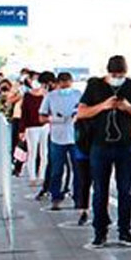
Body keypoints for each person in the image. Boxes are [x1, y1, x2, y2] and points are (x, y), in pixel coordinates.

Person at [78, 56, 131, 248]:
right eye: (114, 75)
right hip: (100, 146)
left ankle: (125, 231)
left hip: (125, 146)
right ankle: (100, 232)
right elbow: (81, 112)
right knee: (100, 190)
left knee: (125, 191)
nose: (118, 78)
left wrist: (128, 107)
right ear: (108, 72)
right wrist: (104, 105)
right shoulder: (95, 86)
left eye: (121, 75)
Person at [40, 72, 82, 211]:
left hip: (75, 138)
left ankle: (78, 198)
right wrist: (54, 119)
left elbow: (85, 111)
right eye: (63, 84)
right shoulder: (51, 96)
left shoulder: (78, 95)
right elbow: (41, 117)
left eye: (67, 84)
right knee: (56, 170)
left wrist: (77, 116)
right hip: (57, 138)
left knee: (78, 170)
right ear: (58, 84)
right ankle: (55, 197)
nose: (65, 87)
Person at [20, 70, 53, 189]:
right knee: (32, 152)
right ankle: (32, 177)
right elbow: (24, 113)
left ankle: (42, 175)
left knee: (44, 152)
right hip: (31, 127)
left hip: (45, 126)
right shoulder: (27, 96)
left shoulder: (47, 95)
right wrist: (22, 129)